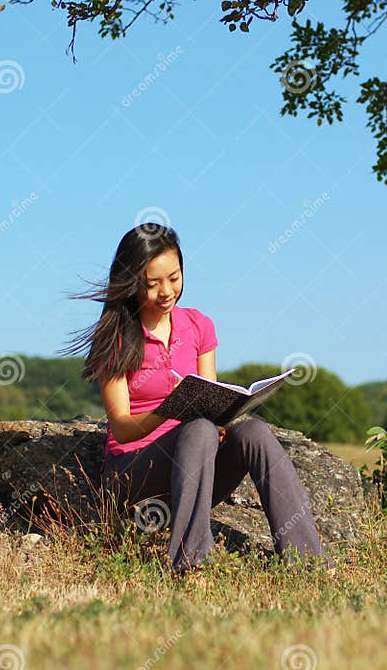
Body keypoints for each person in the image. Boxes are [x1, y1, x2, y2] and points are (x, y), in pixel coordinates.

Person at [60, 223, 335, 576]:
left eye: (173, 278)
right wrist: (170, 410)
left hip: (194, 469)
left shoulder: (198, 325)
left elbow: (211, 397)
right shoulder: (116, 339)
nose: (166, 291)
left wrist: (224, 417)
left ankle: (308, 563)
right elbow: (123, 429)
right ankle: (190, 565)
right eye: (152, 282)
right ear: (132, 282)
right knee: (200, 430)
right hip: (135, 478)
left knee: (253, 432)